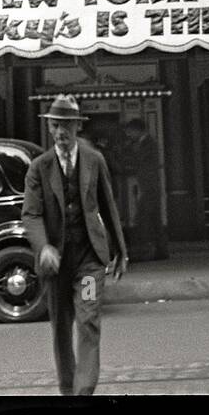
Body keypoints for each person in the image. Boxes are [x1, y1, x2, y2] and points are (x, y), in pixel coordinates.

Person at [22, 95, 128, 396]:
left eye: (66, 126)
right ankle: (68, 389)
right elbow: (31, 214)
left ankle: (84, 392)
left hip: (88, 261)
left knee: (89, 320)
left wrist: (120, 250)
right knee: (60, 329)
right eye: (55, 126)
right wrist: (43, 247)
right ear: (50, 128)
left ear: (77, 127)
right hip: (56, 266)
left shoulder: (94, 160)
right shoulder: (39, 168)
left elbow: (108, 206)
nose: (60, 133)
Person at [122, 118, 168, 261]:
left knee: (143, 219)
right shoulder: (144, 143)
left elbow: (140, 162)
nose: (129, 135)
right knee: (154, 220)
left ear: (137, 130)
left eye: (130, 131)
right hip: (149, 186)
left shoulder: (147, 144)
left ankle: (142, 251)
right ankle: (161, 251)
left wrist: (129, 149)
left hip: (149, 187)